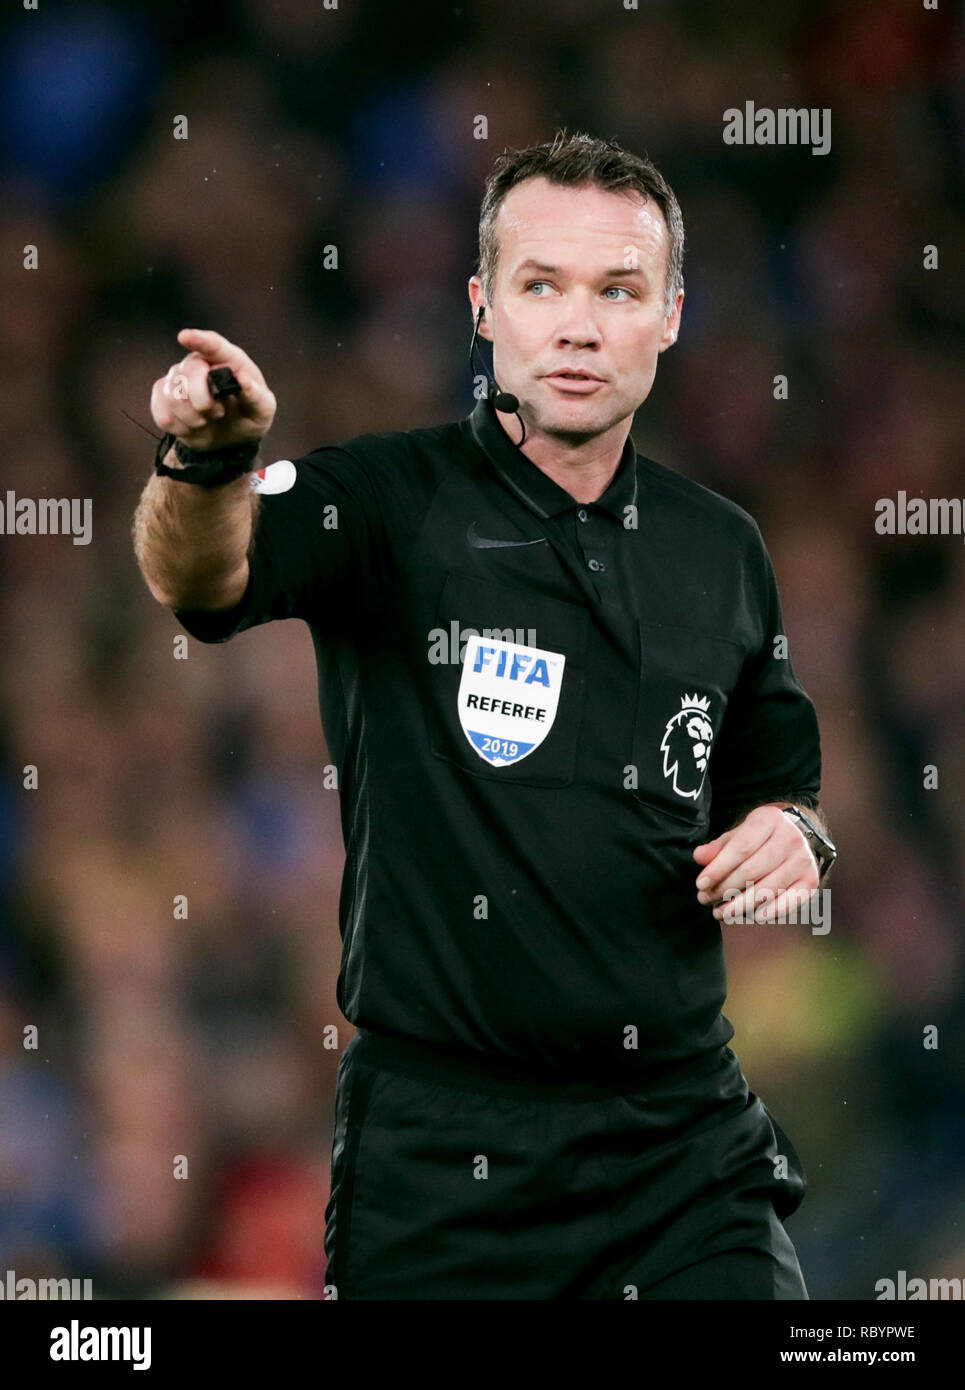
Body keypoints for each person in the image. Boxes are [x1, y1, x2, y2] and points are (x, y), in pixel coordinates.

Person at [132, 130, 836, 1300]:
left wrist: (795, 832)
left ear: (667, 314)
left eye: (617, 290)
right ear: (481, 306)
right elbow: (201, 583)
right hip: (442, 1160)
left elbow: (779, 778)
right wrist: (204, 462)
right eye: (539, 285)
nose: (577, 324)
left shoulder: (721, 548)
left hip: (678, 1143)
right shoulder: (386, 502)